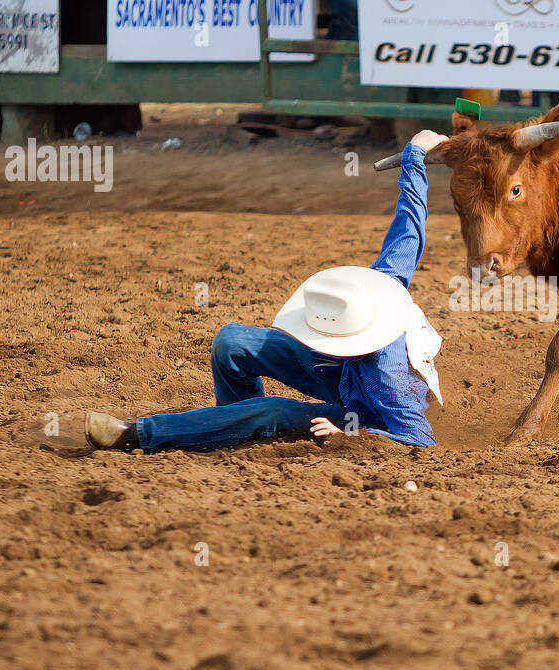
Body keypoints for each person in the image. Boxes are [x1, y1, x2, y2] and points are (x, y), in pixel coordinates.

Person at [85, 129, 449, 452]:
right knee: (231, 342)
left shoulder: (391, 384)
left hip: (357, 411)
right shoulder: (382, 289)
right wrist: (415, 155)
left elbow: (420, 440)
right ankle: (236, 429)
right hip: (344, 368)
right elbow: (409, 226)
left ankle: (141, 433)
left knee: (273, 411)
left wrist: (349, 435)